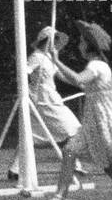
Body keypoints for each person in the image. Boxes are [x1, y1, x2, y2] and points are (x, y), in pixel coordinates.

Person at [31, 21, 112, 200]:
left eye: (82, 42)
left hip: (104, 120)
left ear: (89, 45)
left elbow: (78, 80)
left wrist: (56, 60)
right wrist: (55, 66)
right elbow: (80, 83)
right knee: (70, 150)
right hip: (96, 118)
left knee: (110, 166)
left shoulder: (97, 65)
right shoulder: (98, 66)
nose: (79, 45)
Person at [7, 26, 86, 181]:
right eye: (54, 39)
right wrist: (27, 92)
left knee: (30, 135)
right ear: (47, 41)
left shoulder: (49, 58)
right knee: (74, 129)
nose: (57, 44)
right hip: (44, 102)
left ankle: (14, 170)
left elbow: (62, 76)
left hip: (48, 100)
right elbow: (24, 72)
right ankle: (74, 166)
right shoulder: (36, 57)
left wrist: (81, 84)